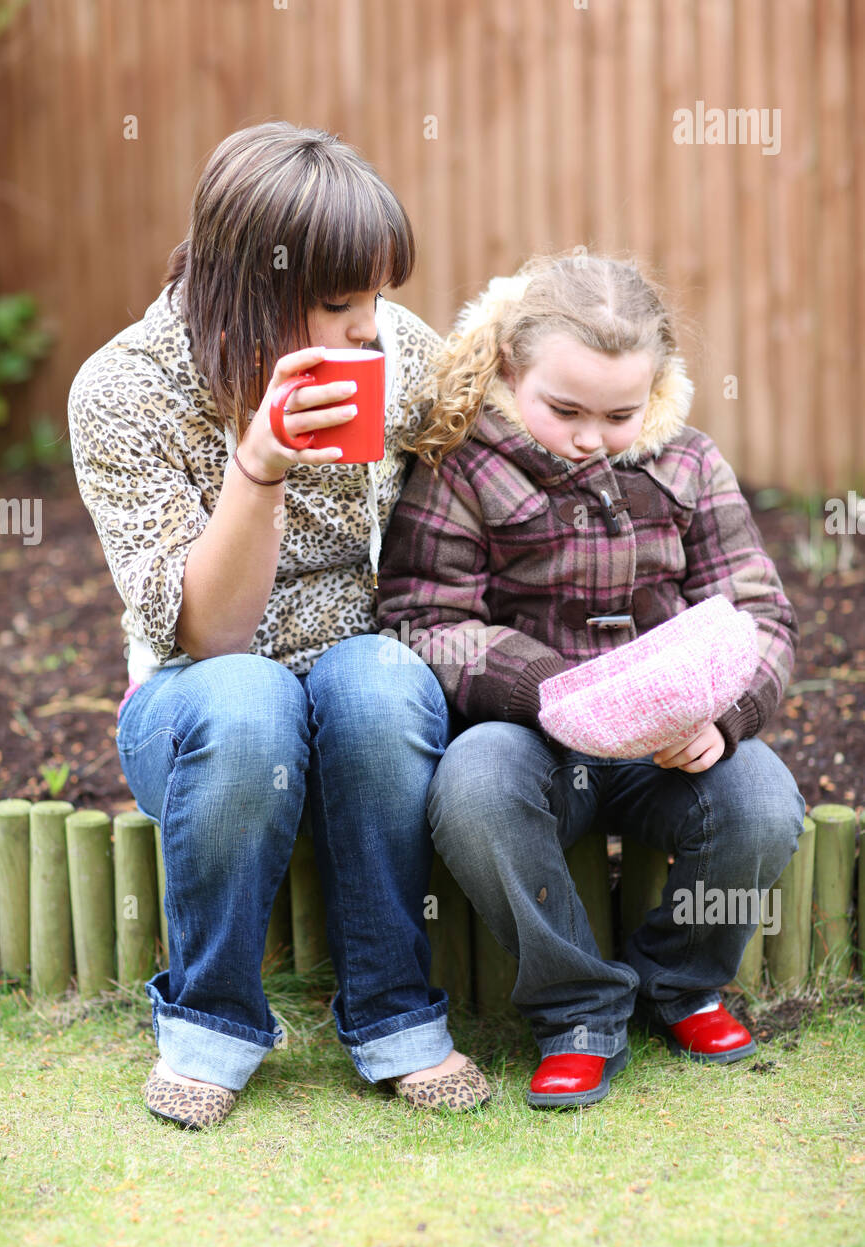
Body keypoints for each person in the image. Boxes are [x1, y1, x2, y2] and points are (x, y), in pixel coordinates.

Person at [67, 121, 491, 1128]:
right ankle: (210, 1022)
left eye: (380, 296)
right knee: (251, 698)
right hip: (198, 704)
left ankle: (393, 1015)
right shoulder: (124, 390)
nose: (370, 329)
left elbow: (490, 447)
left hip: (356, 687)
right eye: (340, 304)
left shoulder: (389, 348)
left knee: (379, 678)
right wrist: (254, 468)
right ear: (244, 290)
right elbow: (208, 641)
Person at [376, 250, 806, 1108]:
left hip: (669, 743)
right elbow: (422, 619)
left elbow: (760, 616)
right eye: (563, 409)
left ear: (658, 389)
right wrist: (549, 689)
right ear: (509, 369)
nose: (588, 436)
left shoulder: (687, 465)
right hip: (532, 736)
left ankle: (679, 983)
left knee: (762, 801)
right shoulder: (466, 464)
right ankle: (577, 1008)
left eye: (620, 413)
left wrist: (722, 719)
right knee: (473, 789)